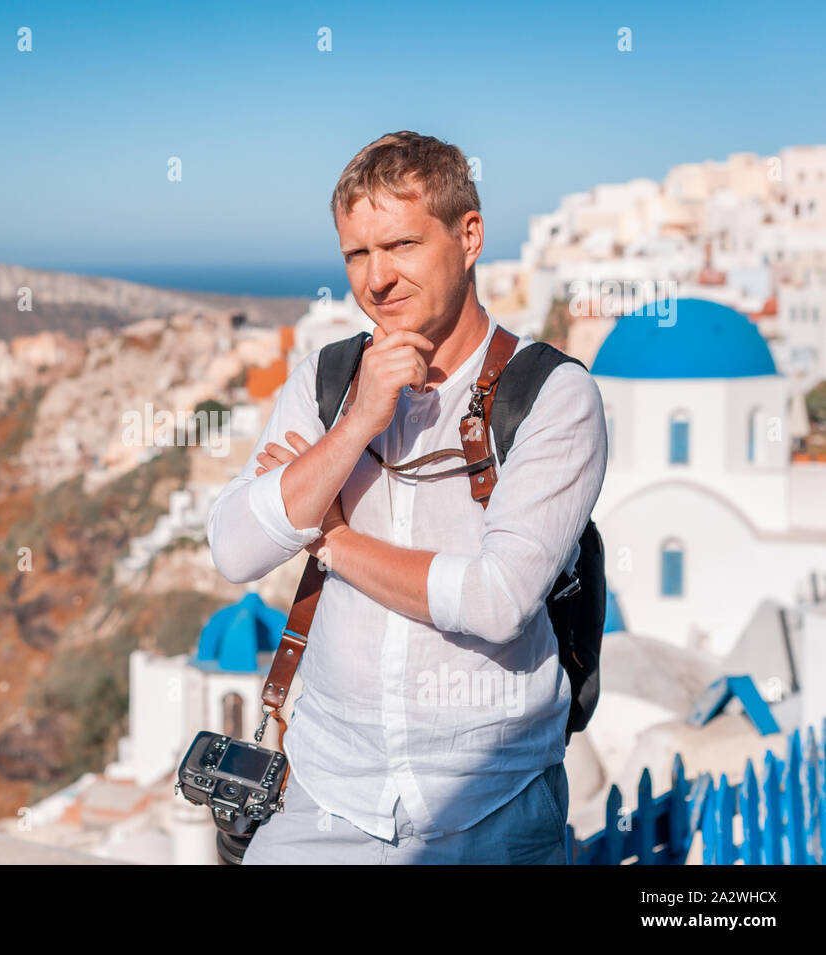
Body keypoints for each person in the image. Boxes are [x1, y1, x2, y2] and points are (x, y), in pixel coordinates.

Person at [205, 131, 607, 864]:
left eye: (401, 245)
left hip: (492, 803)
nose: (377, 279)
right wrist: (357, 420)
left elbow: (496, 600)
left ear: (469, 236)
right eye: (357, 254)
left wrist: (330, 539)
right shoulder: (327, 382)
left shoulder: (552, 396)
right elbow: (234, 548)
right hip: (326, 792)